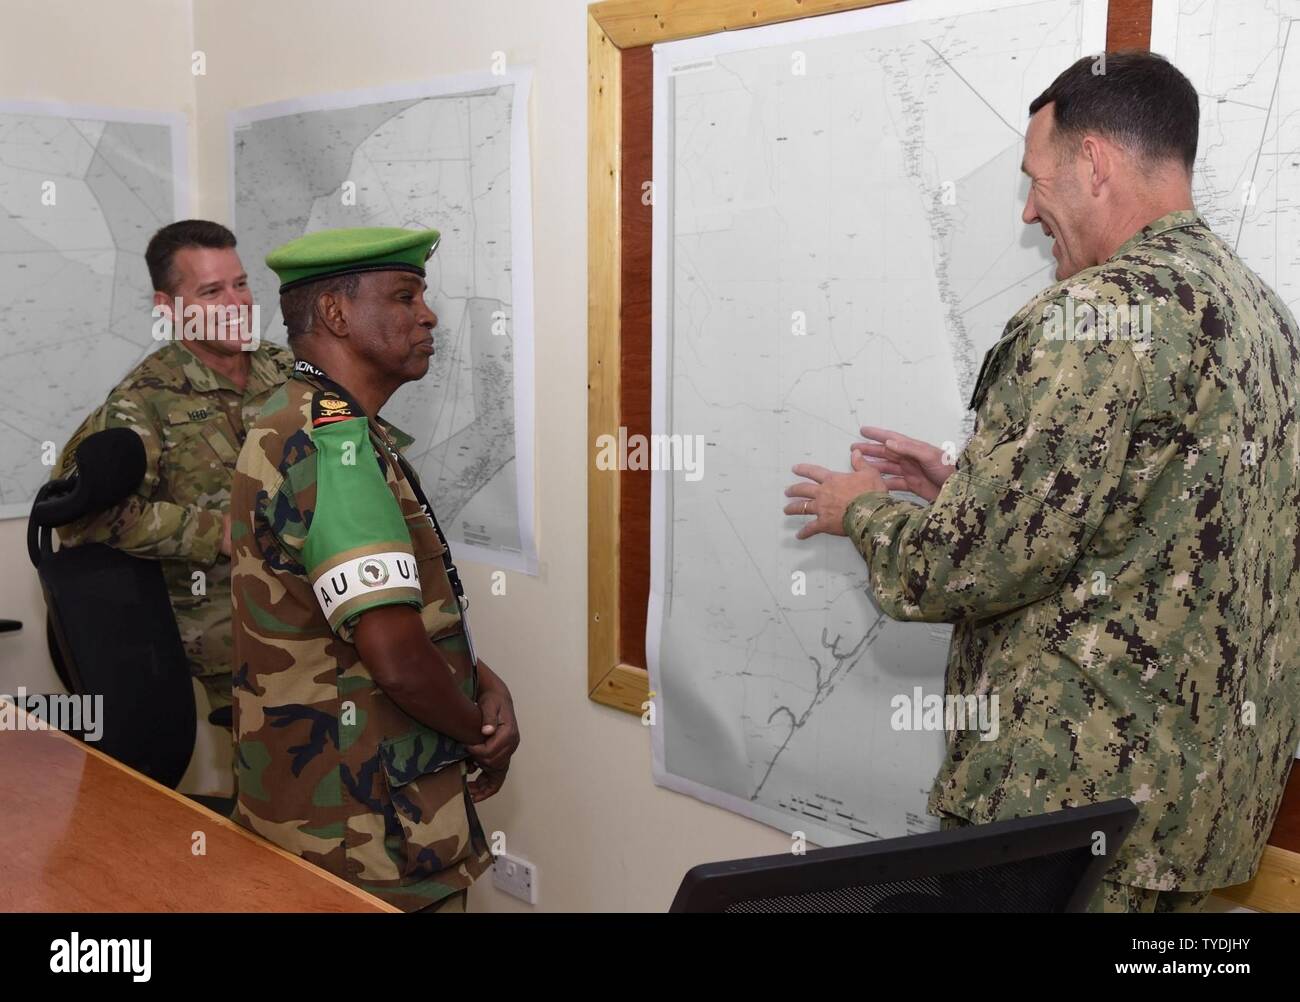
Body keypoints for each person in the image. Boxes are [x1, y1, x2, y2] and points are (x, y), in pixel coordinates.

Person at [784, 52, 1300, 913]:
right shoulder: (1264, 319)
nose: (1029, 209)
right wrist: (965, 483)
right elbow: (1159, 515)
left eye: (1035, 179)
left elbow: (952, 570)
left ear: (1094, 162)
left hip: (1059, 824)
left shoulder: (1090, 314)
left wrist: (861, 512)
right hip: (1193, 822)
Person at [229, 226, 519, 912]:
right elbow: (394, 658)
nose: (428, 315)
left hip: (310, 811)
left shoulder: (292, 419)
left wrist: (476, 674)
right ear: (336, 314)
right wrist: (480, 734)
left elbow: (358, 618)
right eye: (404, 295)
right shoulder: (339, 447)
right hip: (366, 833)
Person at [55, 220, 292, 794]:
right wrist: (224, 531)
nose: (235, 304)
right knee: (288, 783)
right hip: (228, 626)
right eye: (212, 293)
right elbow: (82, 517)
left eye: (240, 285)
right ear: (168, 307)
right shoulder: (143, 401)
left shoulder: (284, 372)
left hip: (312, 599)